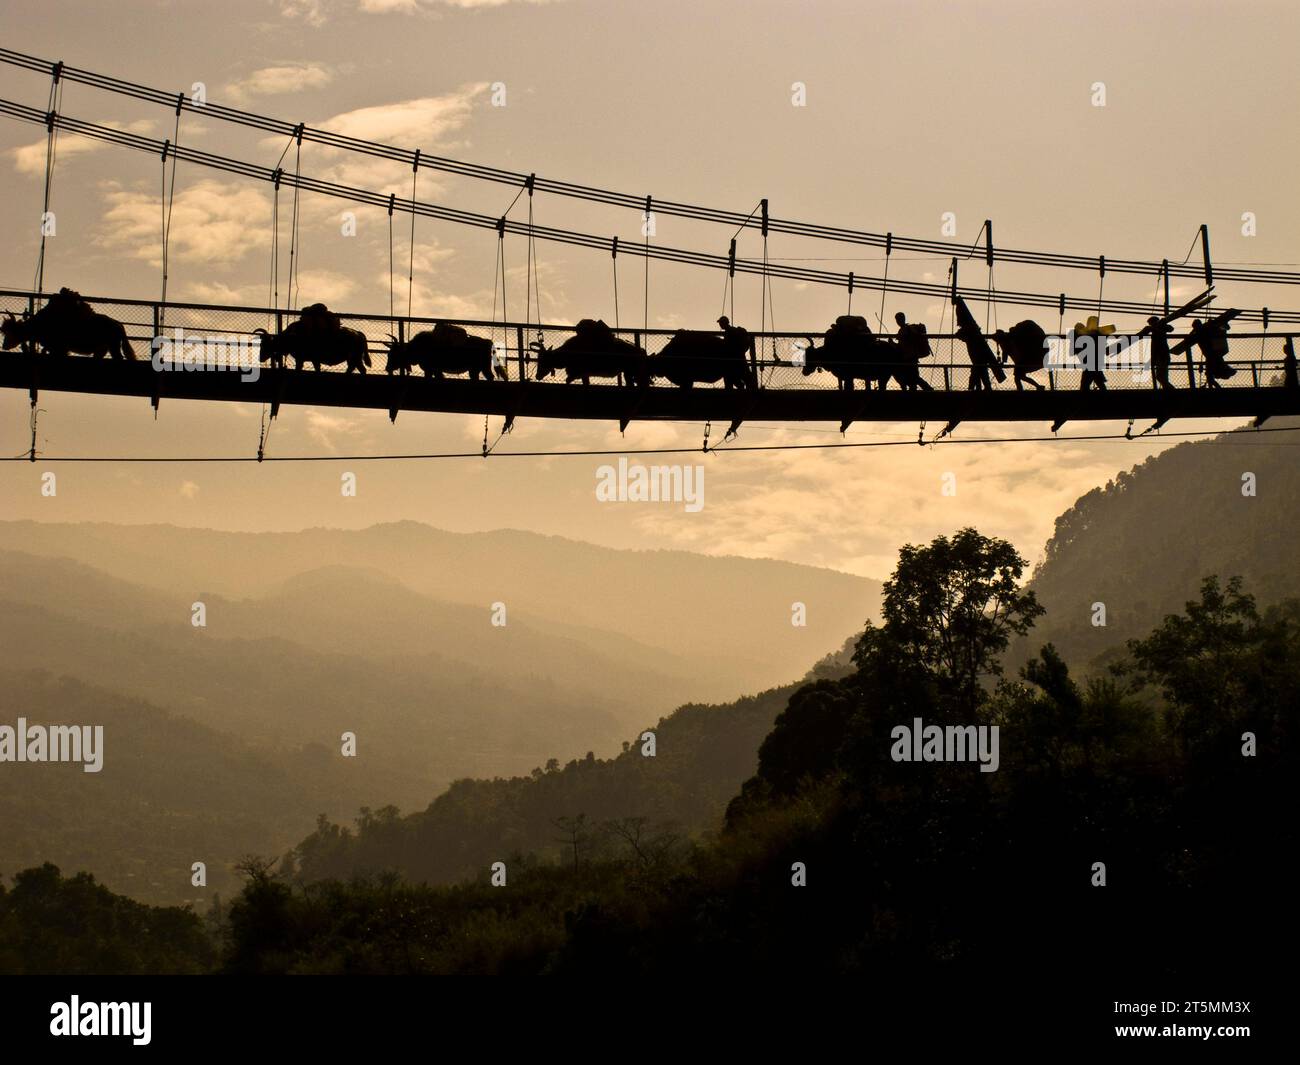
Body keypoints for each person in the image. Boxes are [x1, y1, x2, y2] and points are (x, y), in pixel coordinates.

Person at [1146, 315, 1174, 390]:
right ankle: (1168, 388)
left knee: (1160, 376)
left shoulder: (1160, 328)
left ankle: (1170, 389)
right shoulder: (1157, 329)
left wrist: (1160, 325)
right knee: (1161, 376)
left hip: (1162, 355)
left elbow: (1171, 328)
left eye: (1151, 323)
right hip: (1160, 356)